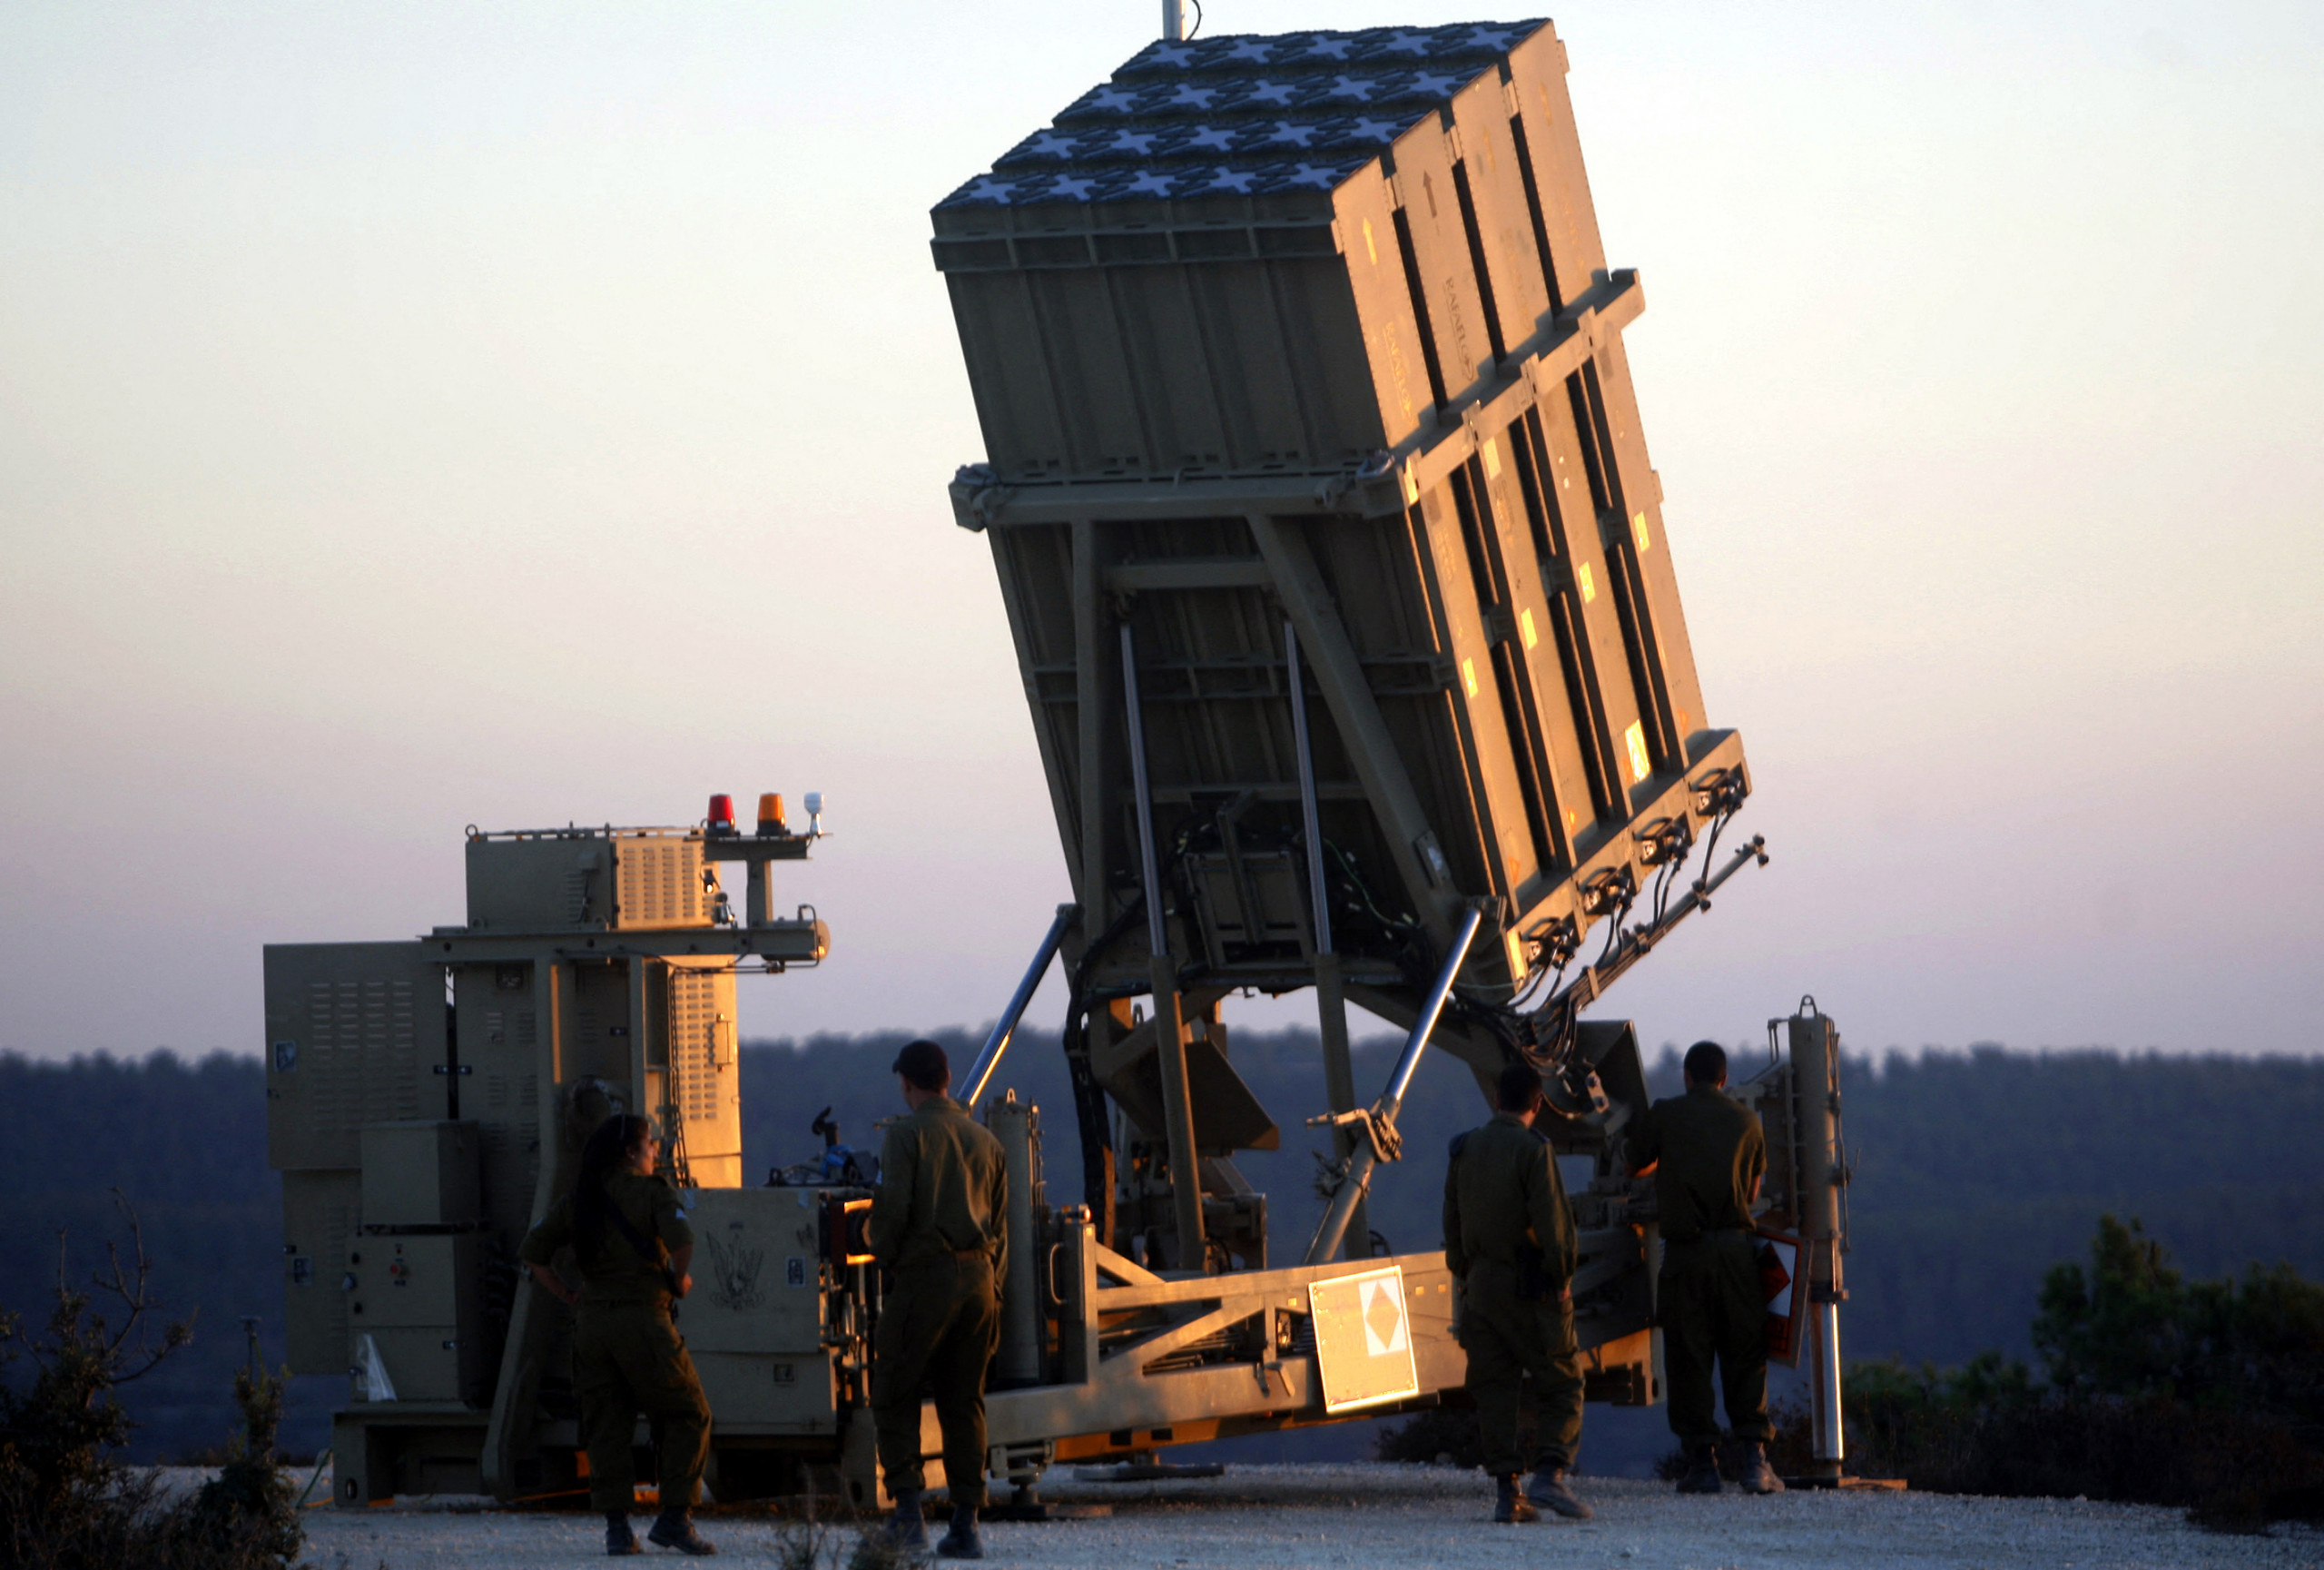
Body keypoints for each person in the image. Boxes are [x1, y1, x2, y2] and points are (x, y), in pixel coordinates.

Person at [520, 1114, 717, 1556]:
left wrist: (568, 1294)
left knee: (607, 1425)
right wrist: (677, 1281)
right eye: (650, 1146)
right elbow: (683, 1243)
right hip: (644, 1324)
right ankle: (674, 1519)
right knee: (689, 1412)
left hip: (592, 1328)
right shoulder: (652, 1192)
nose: (655, 1154)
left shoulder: (580, 1199)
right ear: (631, 1152)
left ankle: (617, 1529)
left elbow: (533, 1253)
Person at [1624, 1040, 1784, 1496]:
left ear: (1686, 1077)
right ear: (1725, 1078)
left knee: (1688, 1355)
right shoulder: (1748, 1121)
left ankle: (1702, 1465)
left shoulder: (1667, 1114)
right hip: (1736, 1252)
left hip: (1686, 1254)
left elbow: (1633, 1165)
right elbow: (1752, 1195)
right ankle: (1754, 1462)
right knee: (1744, 1353)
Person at [869, 1040, 1009, 1561]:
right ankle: (966, 1525)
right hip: (981, 1282)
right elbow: (1002, 1228)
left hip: (926, 1280)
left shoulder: (906, 1136)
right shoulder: (987, 1141)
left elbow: (892, 1214)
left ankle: (909, 1517)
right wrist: (994, 1288)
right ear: (947, 1079)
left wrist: (876, 1246)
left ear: (908, 1083)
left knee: (894, 1391)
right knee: (963, 1400)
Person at [1443, 1060, 1592, 1523]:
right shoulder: (1533, 1150)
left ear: (1497, 1100)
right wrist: (1562, 1279)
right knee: (1563, 1378)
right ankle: (1550, 1475)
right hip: (1530, 1286)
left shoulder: (1465, 1148)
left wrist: (1466, 1273)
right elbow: (1554, 1223)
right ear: (1538, 1103)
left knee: (1495, 1388)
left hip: (1480, 1286)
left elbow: (1452, 1224)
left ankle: (1509, 1494)